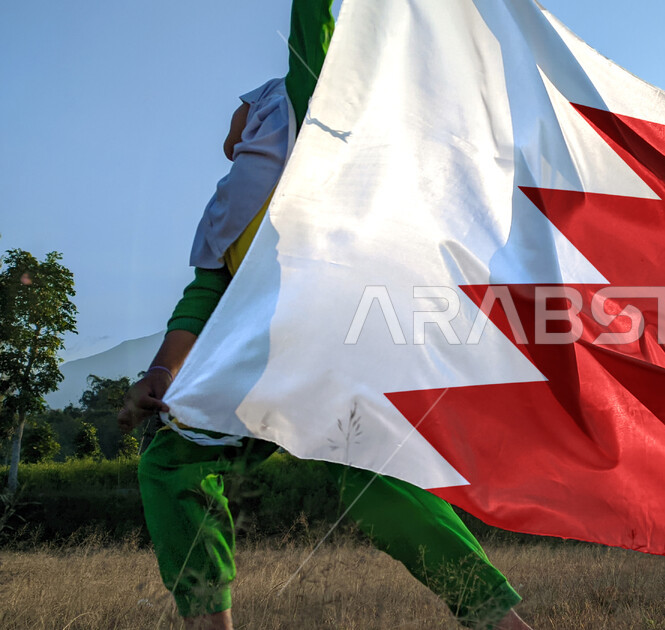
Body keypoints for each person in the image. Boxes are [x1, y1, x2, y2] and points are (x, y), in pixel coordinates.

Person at [118, 3, 532, 629]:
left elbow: (310, 23)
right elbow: (206, 293)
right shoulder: (228, 208)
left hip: (338, 337)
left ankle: (499, 619)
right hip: (256, 358)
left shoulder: (310, 120)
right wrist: (162, 369)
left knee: (371, 481)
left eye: (245, 107)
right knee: (173, 460)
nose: (230, 124)